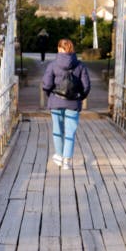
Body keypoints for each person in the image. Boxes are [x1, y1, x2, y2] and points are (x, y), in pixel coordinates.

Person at [41, 39, 91, 170]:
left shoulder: (52, 65)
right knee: (70, 132)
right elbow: (86, 87)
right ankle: (67, 161)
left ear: (59, 49)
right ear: (72, 49)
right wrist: (80, 98)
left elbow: (46, 85)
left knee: (57, 130)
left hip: (56, 101)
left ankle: (58, 155)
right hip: (73, 103)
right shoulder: (80, 66)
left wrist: (50, 96)